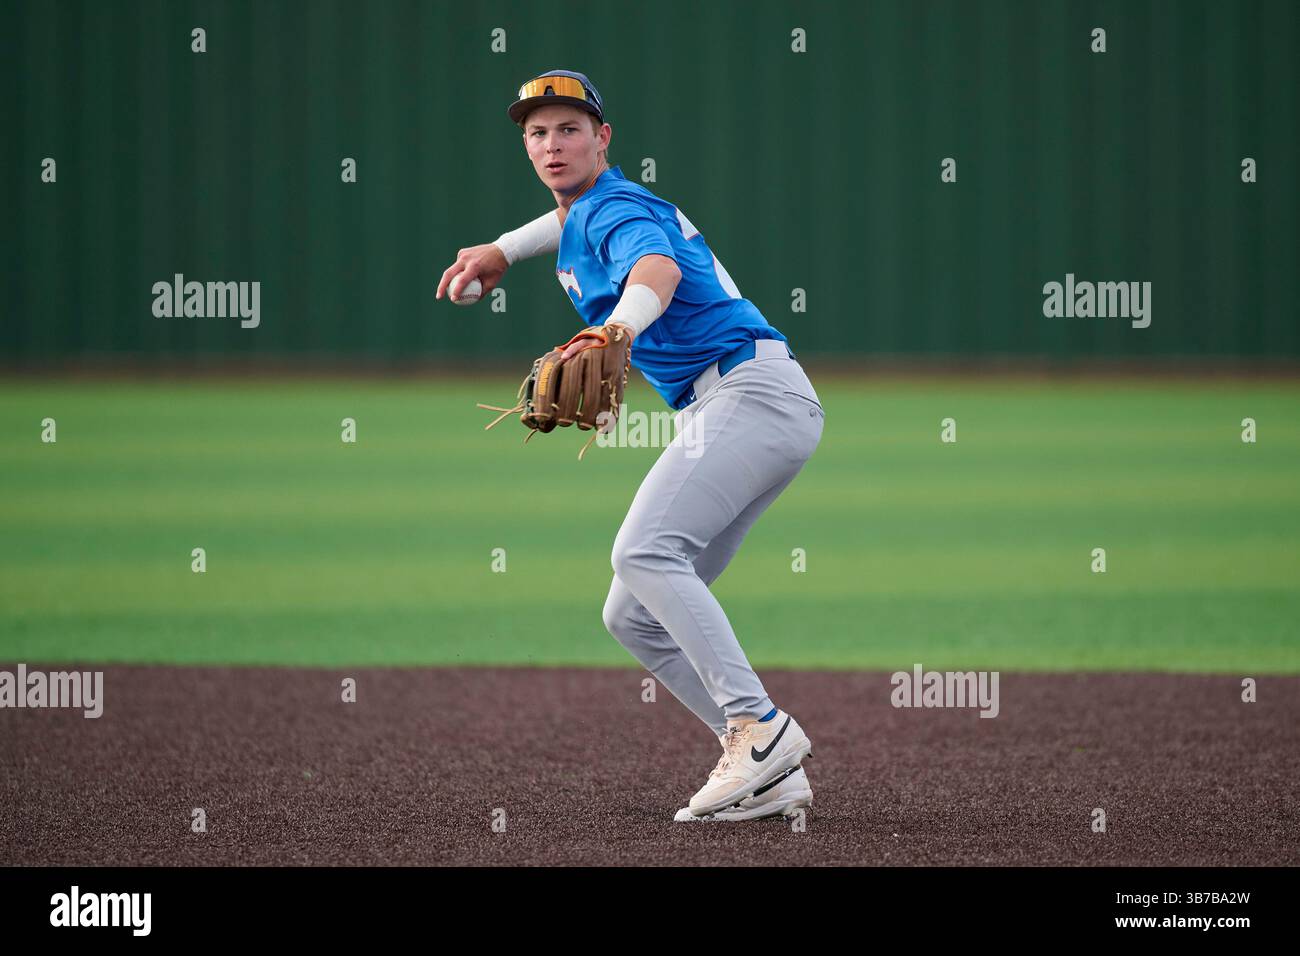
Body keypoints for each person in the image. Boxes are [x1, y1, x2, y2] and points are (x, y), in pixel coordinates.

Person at [437, 70, 825, 822]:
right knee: (634, 613)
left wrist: (619, 328)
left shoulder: (617, 208)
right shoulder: (590, 211)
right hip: (749, 402)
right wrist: (501, 250)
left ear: (603, 138)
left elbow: (658, 267)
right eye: (537, 133)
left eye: (570, 129)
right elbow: (564, 224)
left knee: (644, 554)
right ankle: (765, 766)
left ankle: (761, 728)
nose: (553, 145)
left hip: (749, 393)